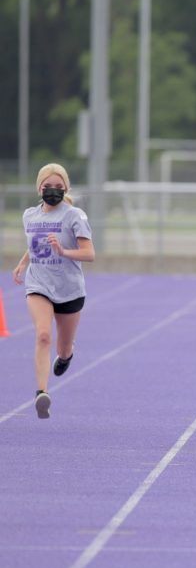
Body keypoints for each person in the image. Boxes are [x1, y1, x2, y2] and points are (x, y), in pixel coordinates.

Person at [11, 163, 95, 419]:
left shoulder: (74, 216)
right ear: (39, 188)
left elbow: (89, 254)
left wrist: (63, 251)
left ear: (66, 189)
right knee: (43, 335)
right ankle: (41, 393)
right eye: (48, 186)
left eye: (59, 187)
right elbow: (35, 242)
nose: (53, 191)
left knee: (63, 346)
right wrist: (23, 263)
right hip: (39, 284)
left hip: (69, 289)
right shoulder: (30, 216)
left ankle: (67, 355)